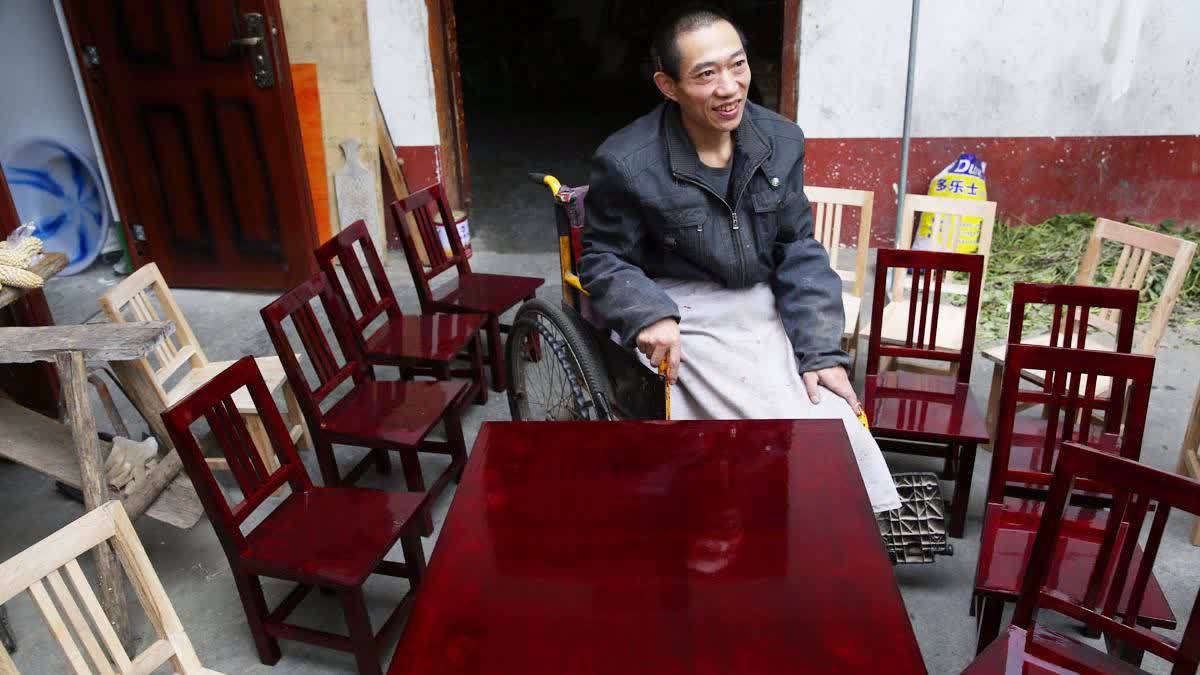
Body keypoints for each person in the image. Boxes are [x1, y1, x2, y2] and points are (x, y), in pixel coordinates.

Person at [579, 6, 899, 512]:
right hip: (682, 308)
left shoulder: (781, 141)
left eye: (738, 65)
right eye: (706, 74)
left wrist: (821, 351)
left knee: (827, 414)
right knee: (753, 427)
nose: (729, 87)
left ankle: (821, 519)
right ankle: (747, 517)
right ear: (668, 85)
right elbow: (602, 257)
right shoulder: (627, 161)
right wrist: (649, 313)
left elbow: (798, 247)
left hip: (759, 301)